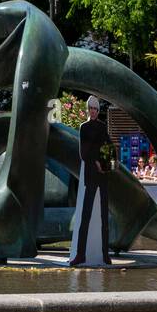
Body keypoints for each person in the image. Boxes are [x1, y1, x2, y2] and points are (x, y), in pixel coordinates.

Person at [70, 96, 112, 268]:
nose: (93, 111)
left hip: (103, 175)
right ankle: (81, 254)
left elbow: (108, 147)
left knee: (104, 216)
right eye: (91, 109)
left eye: (95, 109)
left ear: (98, 110)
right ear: (88, 110)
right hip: (91, 174)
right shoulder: (84, 127)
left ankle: (105, 254)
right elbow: (83, 153)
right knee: (85, 216)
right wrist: (96, 161)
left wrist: (105, 164)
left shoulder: (103, 127)